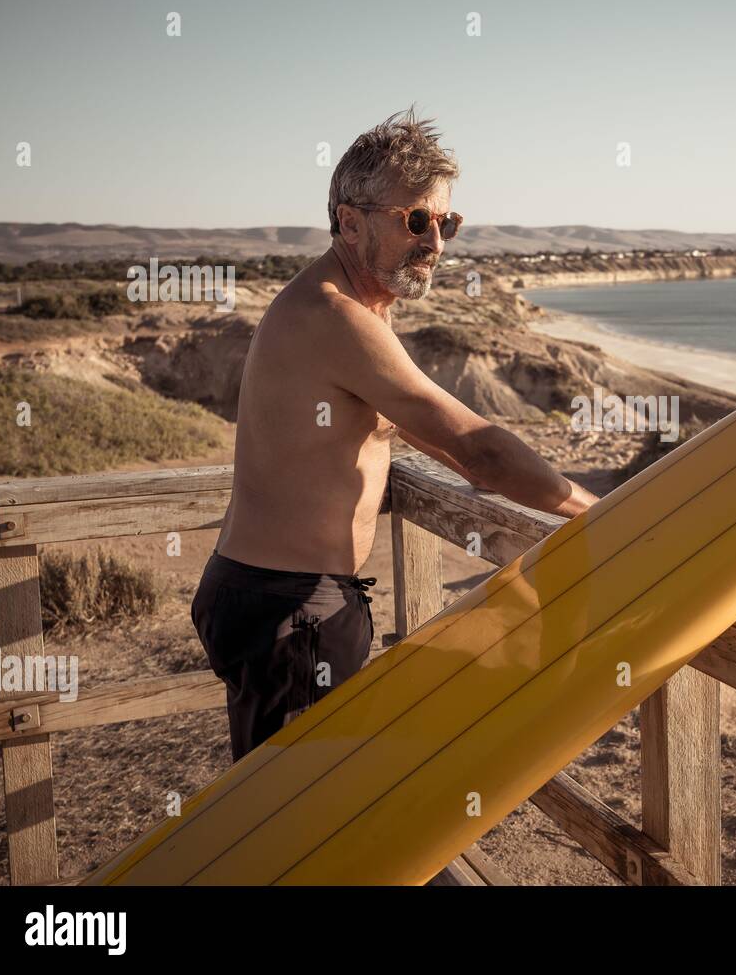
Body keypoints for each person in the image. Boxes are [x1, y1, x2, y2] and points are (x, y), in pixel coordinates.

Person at [192, 108, 599, 762]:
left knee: (305, 813)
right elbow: (474, 444)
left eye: (447, 222)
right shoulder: (333, 313)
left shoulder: (356, 309)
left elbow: (430, 438)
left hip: (281, 598)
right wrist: (595, 510)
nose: (435, 241)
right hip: (289, 611)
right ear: (350, 221)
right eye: (415, 220)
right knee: (305, 827)